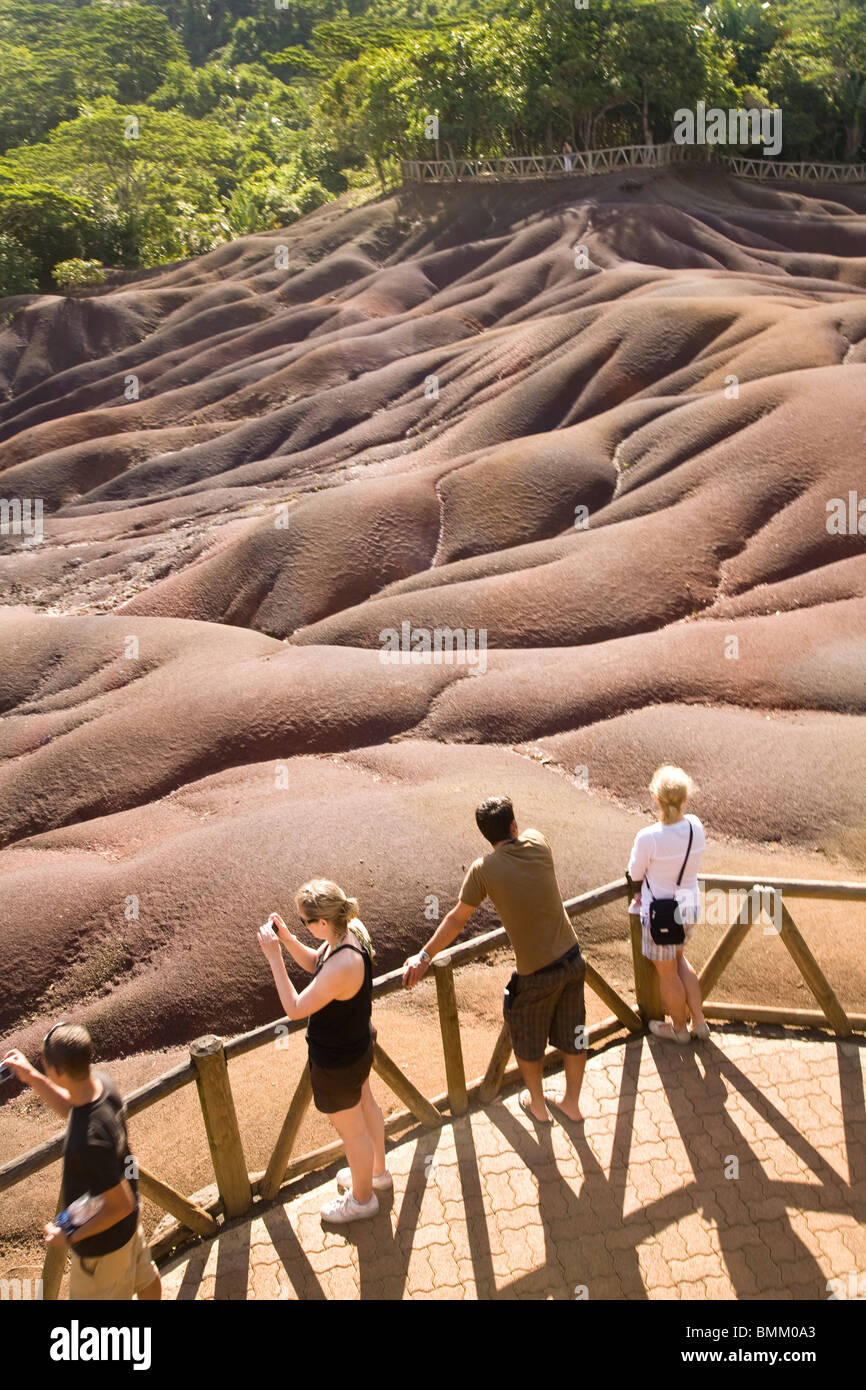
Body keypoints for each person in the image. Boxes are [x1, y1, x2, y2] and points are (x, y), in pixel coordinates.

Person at [403, 797, 587, 1125]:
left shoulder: (483, 870)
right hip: (572, 958)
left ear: (485, 835)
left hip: (536, 972)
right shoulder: (539, 841)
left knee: (526, 1039)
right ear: (514, 825)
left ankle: (538, 1106)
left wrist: (424, 956)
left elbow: (456, 920)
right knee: (575, 1033)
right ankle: (571, 1103)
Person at [258, 881, 387, 1224]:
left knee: (352, 1132)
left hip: (339, 1061)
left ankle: (362, 1200)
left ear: (323, 923)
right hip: (358, 1043)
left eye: (304, 922)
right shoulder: (350, 931)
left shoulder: (343, 964)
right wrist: (287, 939)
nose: (302, 925)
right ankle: (376, 1173)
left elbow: (296, 1007)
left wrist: (273, 957)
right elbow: (317, 962)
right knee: (367, 1106)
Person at [2, 1023, 161, 1301]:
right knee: (144, 1276)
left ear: (60, 1072)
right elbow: (74, 1109)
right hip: (129, 1223)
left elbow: (119, 1205)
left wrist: (70, 1237)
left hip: (104, 1248)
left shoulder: (87, 1142)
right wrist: (33, 1077)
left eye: (45, 1064)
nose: (43, 1067)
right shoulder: (101, 1085)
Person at [627, 765, 709, 1043]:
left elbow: (635, 873)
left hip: (661, 912)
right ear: (685, 799)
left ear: (655, 798)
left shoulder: (648, 837)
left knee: (667, 973)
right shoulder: (696, 827)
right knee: (680, 960)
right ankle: (699, 1022)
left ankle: (679, 1030)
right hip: (689, 905)